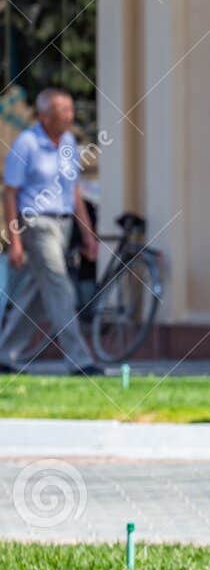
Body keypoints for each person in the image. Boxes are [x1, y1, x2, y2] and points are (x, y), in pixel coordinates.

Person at [0, 88, 103, 375]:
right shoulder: (26, 144)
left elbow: (74, 192)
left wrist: (87, 234)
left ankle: (5, 354)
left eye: (71, 110)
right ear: (44, 116)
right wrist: (15, 242)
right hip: (36, 224)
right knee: (60, 288)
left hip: (64, 223)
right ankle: (79, 360)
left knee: (35, 294)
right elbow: (10, 194)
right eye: (63, 111)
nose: (69, 116)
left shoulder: (69, 142)